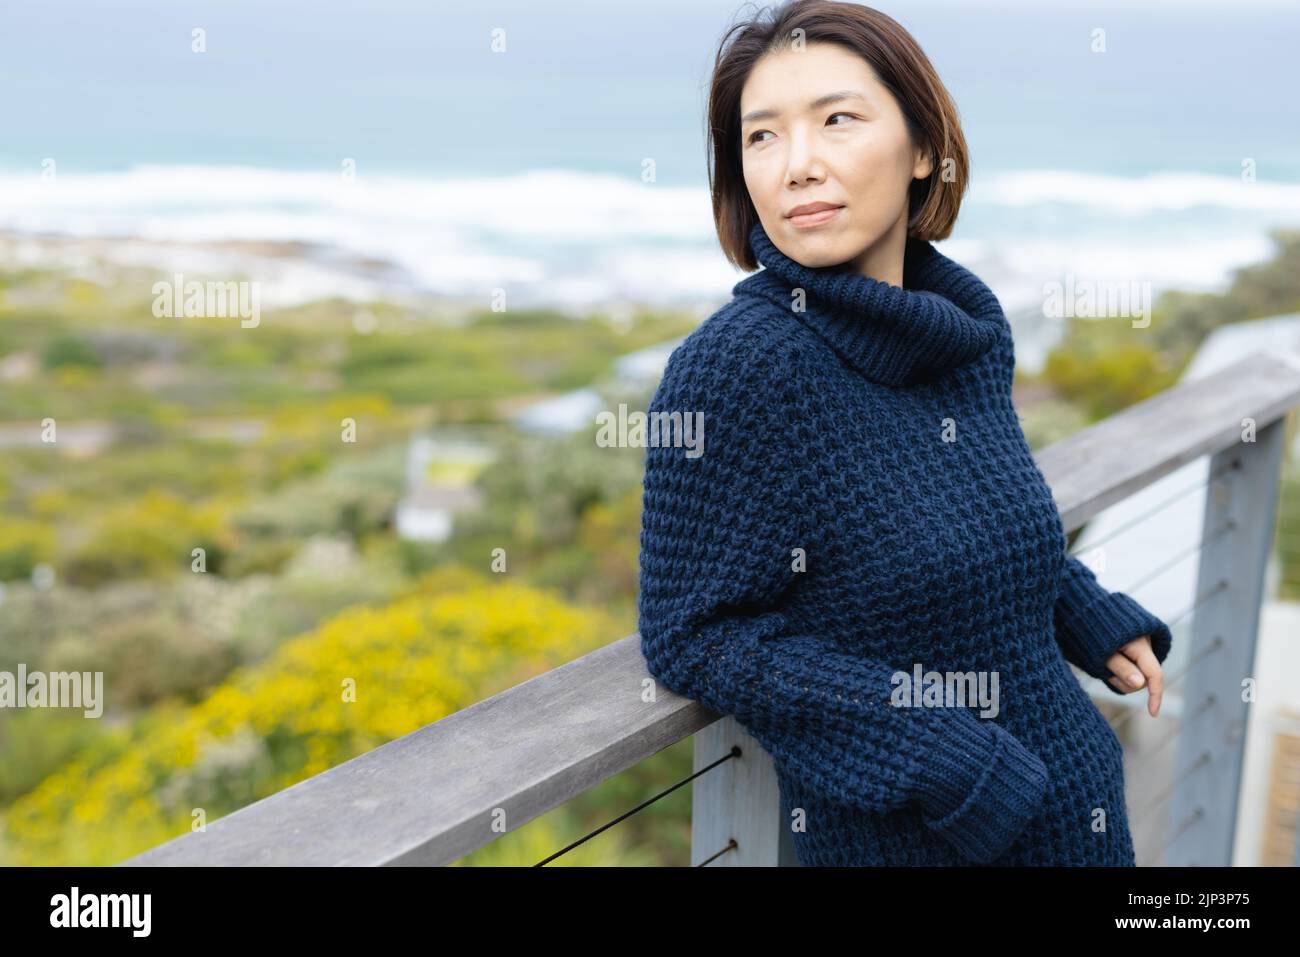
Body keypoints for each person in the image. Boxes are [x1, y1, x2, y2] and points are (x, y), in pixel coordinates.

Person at [636, 0, 1172, 866]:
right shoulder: (740, 368)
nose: (797, 166)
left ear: (925, 149)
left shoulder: (960, 329)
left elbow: (967, 517)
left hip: (1080, 822)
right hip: (929, 843)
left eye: (837, 120)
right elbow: (693, 633)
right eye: (761, 137)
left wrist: (1081, 609)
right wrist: (929, 747)